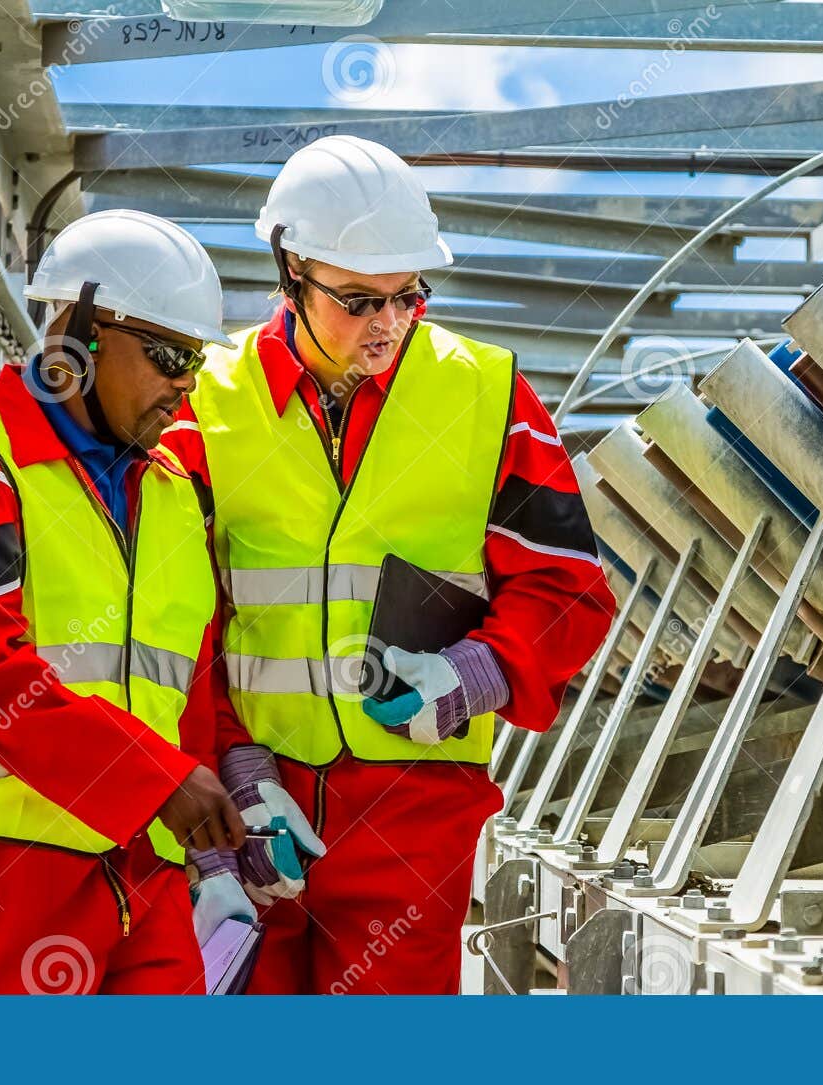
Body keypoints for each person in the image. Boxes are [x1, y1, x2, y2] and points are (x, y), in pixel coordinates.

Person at [163, 135, 616, 994]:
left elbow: (570, 588)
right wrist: (234, 771)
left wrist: (477, 673)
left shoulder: (486, 393)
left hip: (415, 816)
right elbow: (174, 618)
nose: (390, 323)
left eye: (410, 295)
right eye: (361, 300)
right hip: (255, 806)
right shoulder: (204, 405)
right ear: (290, 270)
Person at [0, 209, 257, 994]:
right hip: (1, 862)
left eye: (194, 359)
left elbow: (183, 687)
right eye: (167, 354)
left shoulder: (171, 494)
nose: (186, 381)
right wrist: (157, 780)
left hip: (144, 869)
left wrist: (213, 837)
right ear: (80, 335)